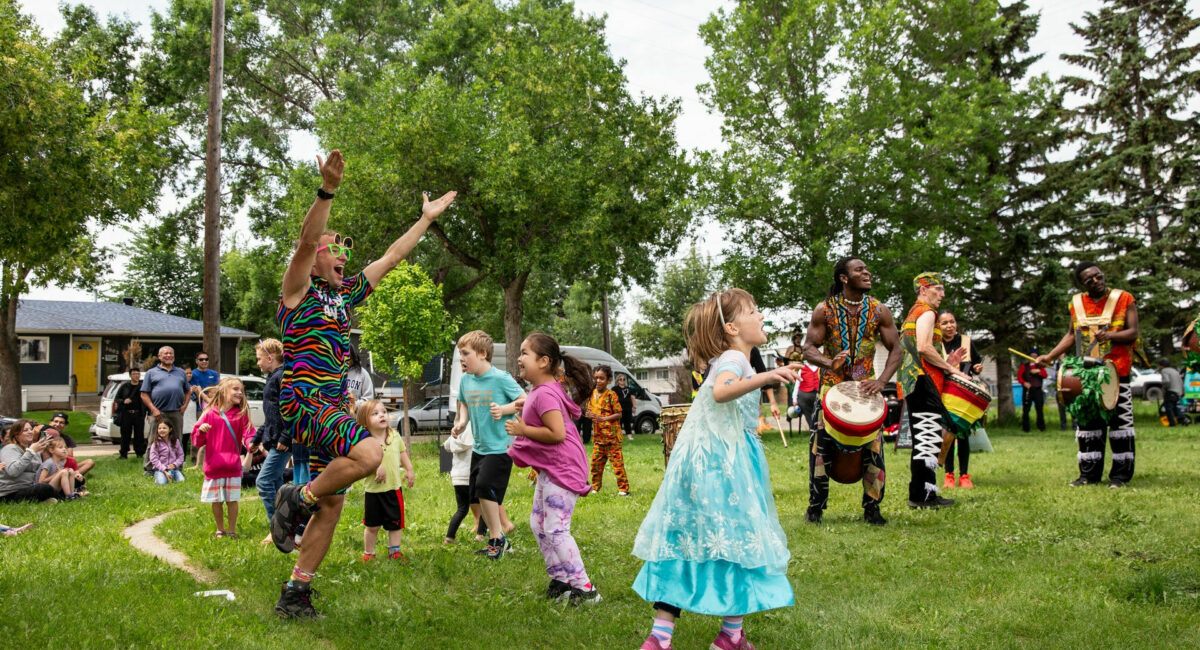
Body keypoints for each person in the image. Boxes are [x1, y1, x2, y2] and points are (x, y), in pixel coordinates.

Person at [269, 149, 457, 618]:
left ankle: (296, 591)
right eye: (333, 248)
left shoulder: (345, 294)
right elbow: (306, 241)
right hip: (307, 401)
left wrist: (426, 219)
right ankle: (297, 498)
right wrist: (326, 190)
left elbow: (392, 256)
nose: (341, 255)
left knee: (331, 506)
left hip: (332, 403)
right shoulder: (298, 291)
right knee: (371, 452)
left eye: (343, 250)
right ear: (314, 260)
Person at [633, 289, 796, 650]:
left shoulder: (736, 360)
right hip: (721, 468)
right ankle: (728, 638)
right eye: (754, 311)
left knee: (691, 542)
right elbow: (723, 393)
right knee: (737, 540)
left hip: (711, 462)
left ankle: (664, 638)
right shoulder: (733, 361)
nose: (761, 315)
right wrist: (767, 378)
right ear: (733, 326)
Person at [801, 257, 902, 525]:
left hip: (865, 390)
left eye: (867, 268)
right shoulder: (825, 309)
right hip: (830, 390)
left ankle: (872, 507)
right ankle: (816, 507)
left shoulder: (879, 310)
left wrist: (881, 381)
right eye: (859, 270)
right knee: (819, 449)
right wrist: (827, 362)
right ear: (844, 278)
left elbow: (897, 348)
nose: (867, 272)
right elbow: (808, 347)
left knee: (874, 449)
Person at [506, 333, 598, 605]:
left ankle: (585, 589)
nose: (519, 358)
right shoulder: (541, 390)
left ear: (544, 361)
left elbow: (557, 434)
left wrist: (523, 429)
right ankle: (561, 578)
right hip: (552, 468)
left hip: (564, 468)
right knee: (538, 524)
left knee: (556, 529)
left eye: (524, 353)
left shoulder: (545, 393)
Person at [1035, 261, 1139, 488]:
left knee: (1120, 426)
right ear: (1082, 284)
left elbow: (1133, 332)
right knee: (1089, 426)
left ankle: (1120, 477)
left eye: (1098, 276)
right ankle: (1088, 475)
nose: (1096, 281)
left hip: (1117, 372)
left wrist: (1110, 336)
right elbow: (1071, 335)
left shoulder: (1124, 298)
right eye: (1089, 280)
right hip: (1087, 373)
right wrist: (1050, 356)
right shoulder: (1077, 304)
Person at [450, 329, 526, 560]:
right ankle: (499, 537)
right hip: (479, 448)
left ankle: (496, 538)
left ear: (482, 353)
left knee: (484, 486)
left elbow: (525, 399)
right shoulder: (466, 380)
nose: (462, 358)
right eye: (460, 353)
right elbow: (463, 403)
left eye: (465, 353)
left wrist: (504, 410)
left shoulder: (500, 378)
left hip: (500, 447)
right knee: (478, 494)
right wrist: (462, 423)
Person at [899, 272, 967, 509]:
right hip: (922, 381)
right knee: (928, 437)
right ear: (923, 289)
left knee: (923, 438)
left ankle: (921, 493)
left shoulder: (914, 313)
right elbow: (924, 348)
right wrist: (951, 369)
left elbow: (922, 350)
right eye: (937, 289)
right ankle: (922, 496)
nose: (942, 294)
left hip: (913, 380)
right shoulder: (927, 312)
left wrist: (949, 360)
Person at [193, 377, 257, 538]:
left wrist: (251, 444)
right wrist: (201, 430)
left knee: (232, 500)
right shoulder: (209, 413)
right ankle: (220, 529)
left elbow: (249, 433)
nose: (240, 393)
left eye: (241, 390)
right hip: (213, 466)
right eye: (235, 389)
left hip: (233, 466)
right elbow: (196, 440)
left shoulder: (241, 414)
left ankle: (232, 530)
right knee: (216, 501)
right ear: (223, 391)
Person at [357, 399, 414, 562]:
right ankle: (369, 552)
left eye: (383, 412)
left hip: (393, 489)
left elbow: (402, 453)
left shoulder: (394, 435)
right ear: (364, 421)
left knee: (395, 524)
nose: (381, 415)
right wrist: (376, 466)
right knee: (372, 525)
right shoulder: (365, 441)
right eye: (375, 414)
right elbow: (362, 461)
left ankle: (394, 551)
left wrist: (409, 469)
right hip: (373, 491)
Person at [938, 310, 983, 489]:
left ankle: (964, 475)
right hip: (945, 395)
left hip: (964, 396)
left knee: (963, 436)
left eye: (952, 322)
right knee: (948, 435)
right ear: (938, 326)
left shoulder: (966, 341)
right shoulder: (935, 344)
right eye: (945, 323)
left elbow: (976, 363)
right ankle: (949, 475)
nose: (949, 326)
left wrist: (978, 368)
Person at [251, 339, 289, 545]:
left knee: (263, 482)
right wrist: (257, 438)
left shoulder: (282, 377)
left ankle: (277, 528)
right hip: (273, 439)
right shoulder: (272, 378)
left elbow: (290, 411)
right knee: (275, 484)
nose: (257, 363)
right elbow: (271, 415)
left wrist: (286, 437)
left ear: (270, 357)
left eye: (259, 359)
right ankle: (285, 525)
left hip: (283, 442)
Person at [141, 346, 191, 455]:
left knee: (177, 440)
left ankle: (177, 466)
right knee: (153, 440)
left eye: (171, 353)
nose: (168, 355)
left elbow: (188, 391)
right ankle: (149, 468)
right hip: (158, 412)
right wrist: (153, 409)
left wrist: (184, 406)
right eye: (165, 353)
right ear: (159, 356)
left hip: (176, 412)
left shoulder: (181, 372)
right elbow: (144, 394)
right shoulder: (151, 372)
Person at [587, 365, 628, 496]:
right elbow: (590, 411)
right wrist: (588, 414)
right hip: (598, 438)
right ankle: (595, 488)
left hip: (612, 437)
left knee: (617, 464)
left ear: (609, 380)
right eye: (596, 378)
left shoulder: (611, 395)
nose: (598, 381)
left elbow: (619, 414)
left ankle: (623, 490)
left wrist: (603, 418)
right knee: (595, 465)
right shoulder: (592, 394)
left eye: (602, 378)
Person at [0, 420, 58, 503]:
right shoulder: (10, 449)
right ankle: (65, 499)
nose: (30, 432)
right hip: (10, 493)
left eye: (31, 429)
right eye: (25, 430)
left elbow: (41, 470)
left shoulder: (33, 449)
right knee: (44, 488)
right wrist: (30, 452)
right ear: (16, 434)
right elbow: (13, 471)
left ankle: (47, 500)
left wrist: (44, 451)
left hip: (29, 488)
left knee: (72, 479)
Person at [442, 422, 478, 545]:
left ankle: (449, 537)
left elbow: (446, 446)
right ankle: (481, 534)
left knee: (462, 509)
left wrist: (453, 437)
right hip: (470, 477)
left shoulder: (455, 435)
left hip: (457, 478)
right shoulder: (473, 432)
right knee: (483, 505)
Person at [46, 413, 93, 477]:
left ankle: (73, 477)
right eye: (56, 421)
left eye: (61, 423)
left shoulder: (67, 438)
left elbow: (70, 456)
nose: (57, 424)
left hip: (64, 465)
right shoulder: (45, 436)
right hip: (49, 465)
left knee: (89, 462)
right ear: (50, 422)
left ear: (65, 425)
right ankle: (71, 478)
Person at [115, 369, 148, 459]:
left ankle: (139, 453)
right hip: (126, 414)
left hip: (139, 414)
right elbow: (117, 398)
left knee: (139, 434)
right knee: (125, 434)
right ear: (130, 375)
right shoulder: (124, 386)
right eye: (134, 374)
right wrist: (123, 401)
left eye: (138, 374)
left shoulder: (143, 387)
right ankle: (123, 453)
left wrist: (148, 413)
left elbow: (147, 400)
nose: (136, 376)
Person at [1017, 351, 1047, 433]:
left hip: (1037, 390)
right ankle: (1025, 428)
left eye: (1035, 356)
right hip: (1028, 390)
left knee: (1039, 409)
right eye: (1032, 356)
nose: (1034, 358)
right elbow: (1019, 377)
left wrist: (1038, 371)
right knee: (1026, 409)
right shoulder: (1024, 366)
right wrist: (1024, 383)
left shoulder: (1040, 366)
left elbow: (1045, 375)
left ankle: (1041, 427)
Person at [344, 346, 375, 413]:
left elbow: (369, 399)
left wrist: (354, 404)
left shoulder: (362, 373)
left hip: (355, 419)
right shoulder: (333, 373)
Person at [189, 351, 220, 417]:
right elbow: (197, 392)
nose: (204, 361)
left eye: (206, 359)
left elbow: (217, 389)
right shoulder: (192, 374)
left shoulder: (214, 374)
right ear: (196, 361)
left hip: (213, 406)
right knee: (202, 426)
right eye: (201, 359)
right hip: (199, 407)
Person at [1158, 358, 1184, 427]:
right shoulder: (1174, 371)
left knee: (1169, 408)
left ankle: (1172, 424)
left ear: (1162, 365)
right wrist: (1182, 392)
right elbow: (1181, 381)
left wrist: (1164, 387)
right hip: (1178, 392)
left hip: (1170, 391)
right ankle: (1183, 419)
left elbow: (1166, 381)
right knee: (1174, 407)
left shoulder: (1164, 371)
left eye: (1159, 365)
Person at [614, 373, 637, 442]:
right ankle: (618, 437)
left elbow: (633, 398)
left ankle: (629, 436)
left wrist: (634, 407)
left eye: (624, 379)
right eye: (620, 379)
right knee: (618, 423)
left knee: (627, 422)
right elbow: (612, 399)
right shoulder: (614, 389)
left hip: (628, 408)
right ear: (618, 381)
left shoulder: (629, 389)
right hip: (618, 409)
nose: (622, 381)